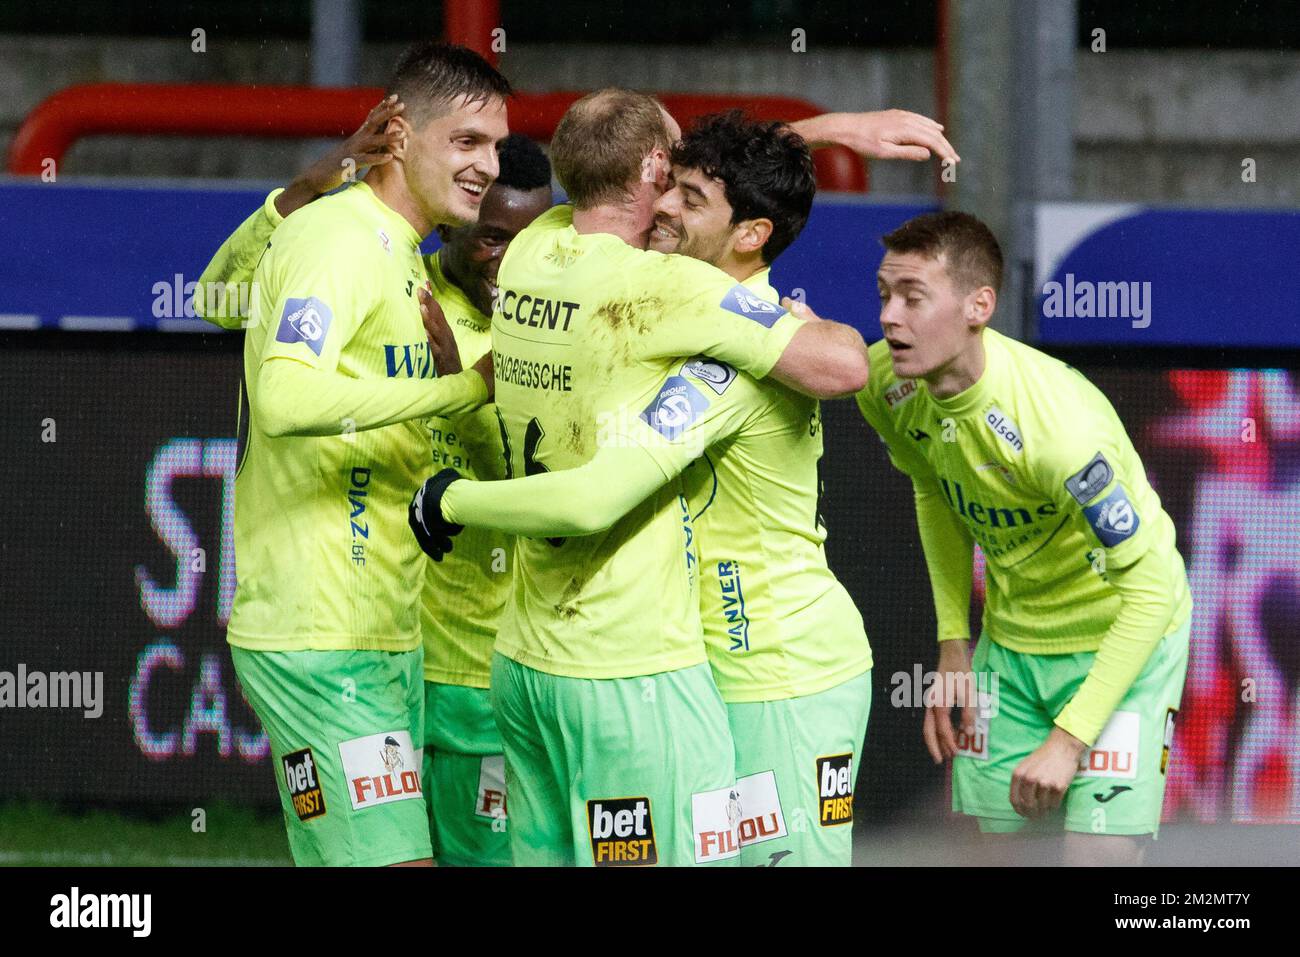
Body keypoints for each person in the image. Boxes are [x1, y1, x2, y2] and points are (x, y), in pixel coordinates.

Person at [412, 89, 952, 866]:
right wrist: (826, 132)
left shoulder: (706, 338)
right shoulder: (673, 298)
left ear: (751, 232)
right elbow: (661, 183)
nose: (665, 207)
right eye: (665, 185)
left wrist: (452, 500)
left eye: (688, 199)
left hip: (781, 668)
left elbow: (840, 363)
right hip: (698, 664)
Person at [214, 40, 510, 867]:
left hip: (383, 631)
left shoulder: (397, 252)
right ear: (399, 131)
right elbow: (284, 398)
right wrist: (461, 389)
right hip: (318, 634)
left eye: (495, 145)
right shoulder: (338, 241)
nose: (487, 166)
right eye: (467, 142)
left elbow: (218, 299)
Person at [855, 211, 1191, 865]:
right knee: (991, 856)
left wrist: (1069, 740)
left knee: (1096, 858)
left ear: (979, 305)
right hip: (1011, 650)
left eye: (913, 298)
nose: (891, 316)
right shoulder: (884, 384)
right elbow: (936, 488)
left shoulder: (1057, 431)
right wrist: (954, 644)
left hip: (1121, 646)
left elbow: (1151, 589)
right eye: (884, 295)